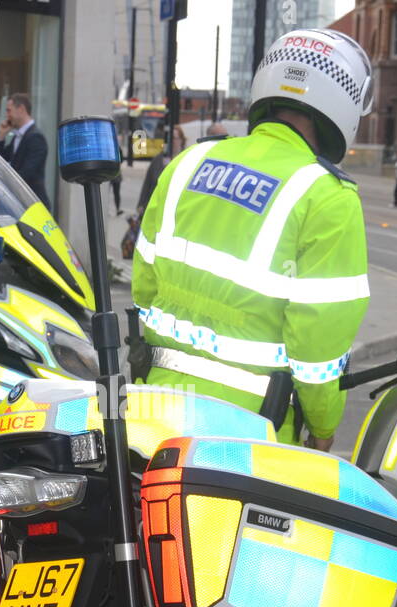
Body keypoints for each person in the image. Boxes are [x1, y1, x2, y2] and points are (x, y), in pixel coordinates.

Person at [132, 28, 375, 451]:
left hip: (152, 415)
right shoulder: (328, 197)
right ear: (344, 103)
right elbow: (317, 349)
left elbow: (144, 289)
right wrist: (322, 426)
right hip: (249, 437)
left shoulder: (190, 162)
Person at [0, 92, 49, 207]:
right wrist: (1, 136)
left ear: (21, 109)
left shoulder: (36, 138)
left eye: (9, 110)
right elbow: (0, 160)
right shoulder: (17, 137)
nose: (7, 115)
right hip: (20, 204)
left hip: (33, 206)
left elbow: (26, 173)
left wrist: (2, 194)